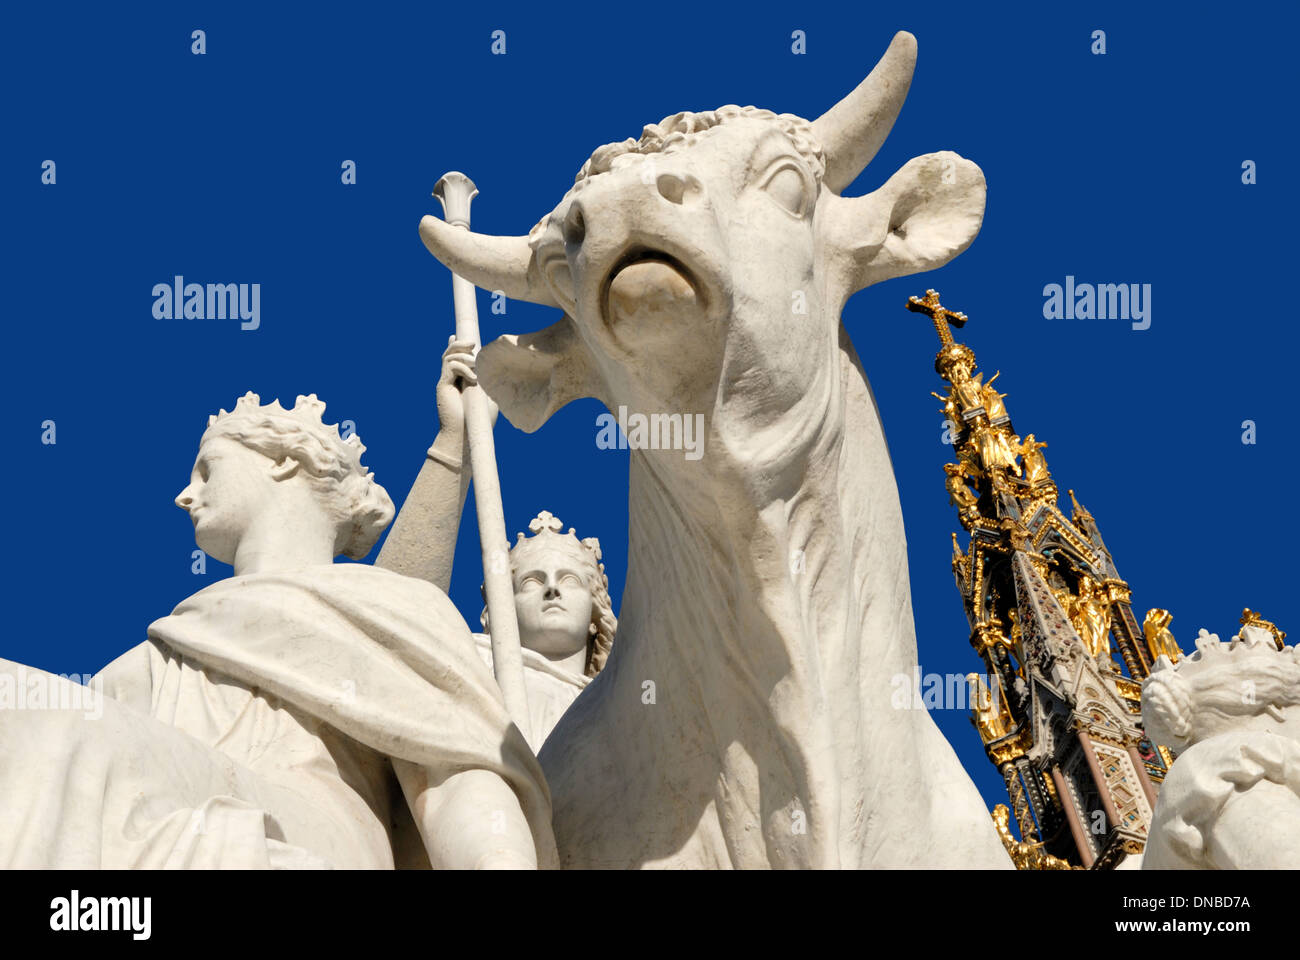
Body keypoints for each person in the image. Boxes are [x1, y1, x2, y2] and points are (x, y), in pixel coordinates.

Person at [0, 392, 557, 869]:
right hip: (167, 811)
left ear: (284, 461)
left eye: (208, 468)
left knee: (50, 729)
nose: (186, 495)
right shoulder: (165, 650)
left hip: (306, 832)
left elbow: (458, 776)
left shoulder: (393, 606)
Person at [379, 340, 615, 751]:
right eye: (530, 582)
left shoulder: (622, 703)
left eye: (571, 580)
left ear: (597, 615)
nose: (552, 589)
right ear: (499, 610)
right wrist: (458, 441)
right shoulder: (472, 666)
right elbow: (385, 615)